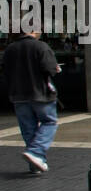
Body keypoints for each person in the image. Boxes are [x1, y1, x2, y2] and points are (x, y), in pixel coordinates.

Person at [1, 27, 61, 173]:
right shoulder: (41, 46)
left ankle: (36, 164)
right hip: (40, 93)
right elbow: (50, 68)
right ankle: (36, 152)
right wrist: (56, 68)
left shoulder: (10, 49)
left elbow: (5, 71)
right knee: (49, 122)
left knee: (28, 129)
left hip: (18, 95)